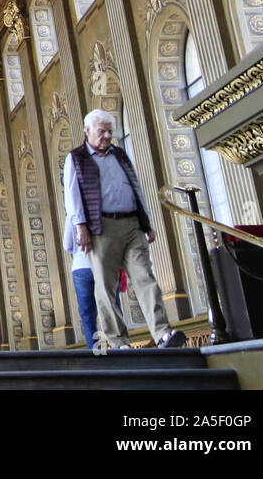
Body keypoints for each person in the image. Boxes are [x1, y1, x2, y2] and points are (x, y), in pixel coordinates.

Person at [62, 109, 187, 351]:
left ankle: (162, 333)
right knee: (106, 288)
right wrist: (80, 227)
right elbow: (72, 194)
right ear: (87, 131)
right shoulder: (76, 158)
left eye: (110, 131)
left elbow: (136, 187)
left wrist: (146, 222)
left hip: (132, 224)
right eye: (102, 131)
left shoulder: (119, 154)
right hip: (101, 228)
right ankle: (120, 343)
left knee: (145, 277)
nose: (108, 136)